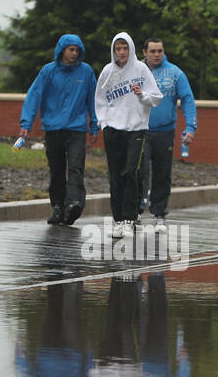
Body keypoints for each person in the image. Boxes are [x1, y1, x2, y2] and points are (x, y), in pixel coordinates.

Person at [20, 34, 100, 226]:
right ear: (62, 50)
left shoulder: (86, 72)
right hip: (54, 129)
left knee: (75, 167)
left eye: (77, 50)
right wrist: (26, 124)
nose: (74, 54)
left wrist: (95, 124)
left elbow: (94, 100)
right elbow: (34, 96)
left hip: (77, 129)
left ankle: (74, 204)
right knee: (56, 170)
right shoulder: (48, 72)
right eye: (70, 49)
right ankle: (57, 206)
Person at [95, 32, 162, 239]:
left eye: (125, 48)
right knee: (115, 174)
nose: (122, 52)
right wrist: (103, 122)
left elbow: (156, 97)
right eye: (118, 49)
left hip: (136, 129)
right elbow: (100, 98)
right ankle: (117, 219)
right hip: (113, 129)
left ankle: (130, 219)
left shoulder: (141, 70)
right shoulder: (108, 71)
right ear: (113, 51)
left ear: (131, 49)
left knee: (130, 171)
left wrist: (141, 94)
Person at [139, 38, 197, 232]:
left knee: (162, 173)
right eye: (153, 51)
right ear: (144, 52)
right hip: (140, 130)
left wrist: (190, 127)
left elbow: (187, 99)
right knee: (139, 170)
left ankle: (159, 214)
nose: (157, 55)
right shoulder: (136, 71)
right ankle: (135, 211)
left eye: (160, 51)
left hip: (165, 131)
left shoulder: (174, 73)